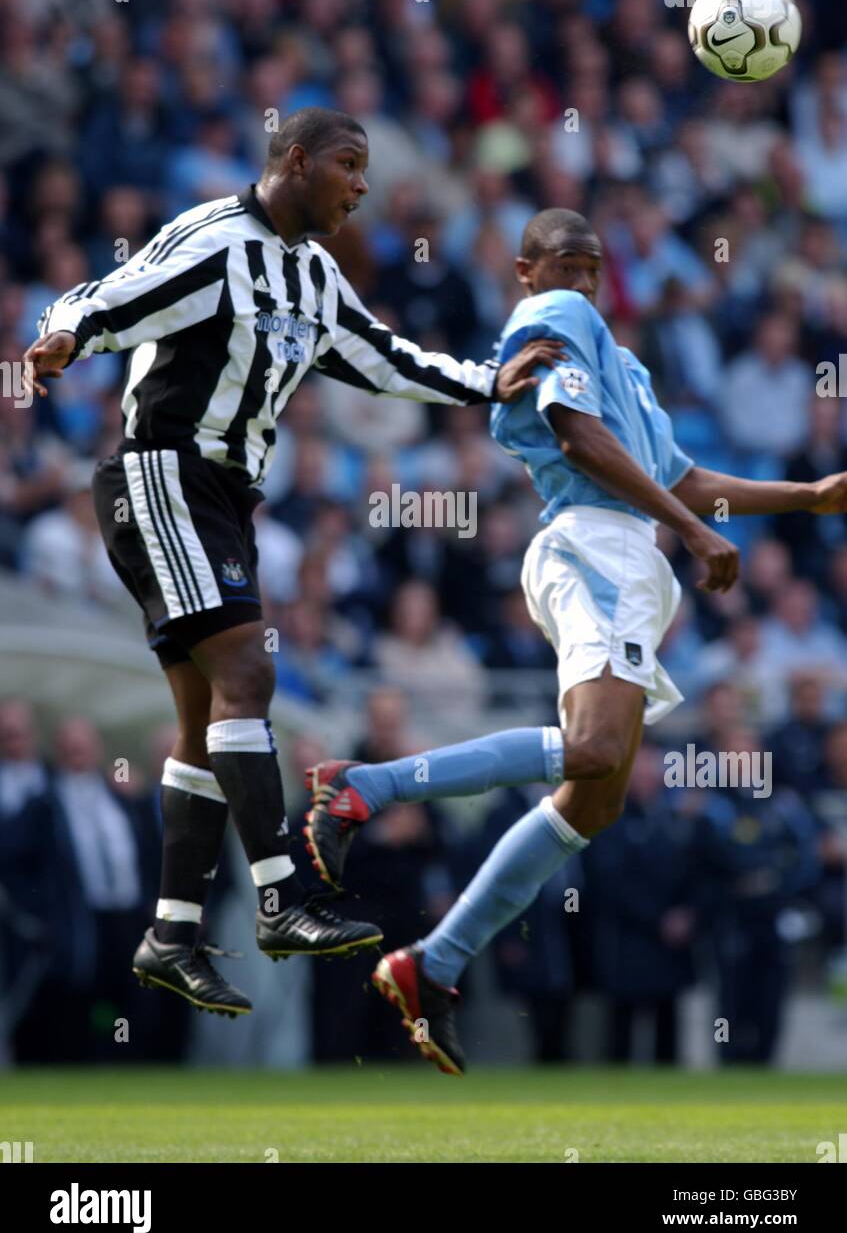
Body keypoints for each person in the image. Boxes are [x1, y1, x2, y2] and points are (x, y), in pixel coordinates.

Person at [21, 106, 557, 1020]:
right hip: (163, 473)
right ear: (295, 160)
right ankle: (280, 893)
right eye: (348, 165)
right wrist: (64, 331)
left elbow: (383, 357)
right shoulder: (214, 240)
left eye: (366, 170)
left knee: (203, 719)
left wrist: (482, 381)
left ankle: (173, 933)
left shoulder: (314, 276)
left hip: (228, 501)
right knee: (248, 671)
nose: (360, 185)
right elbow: (115, 293)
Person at [304, 206, 847, 1075]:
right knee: (594, 753)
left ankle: (430, 964)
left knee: (593, 800)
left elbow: (684, 476)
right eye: (564, 263)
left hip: (625, 558)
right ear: (524, 270)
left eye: (593, 268)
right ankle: (364, 787)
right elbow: (576, 437)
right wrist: (693, 532)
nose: (583, 281)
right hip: (592, 544)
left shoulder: (620, 362)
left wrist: (808, 494)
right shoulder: (557, 318)